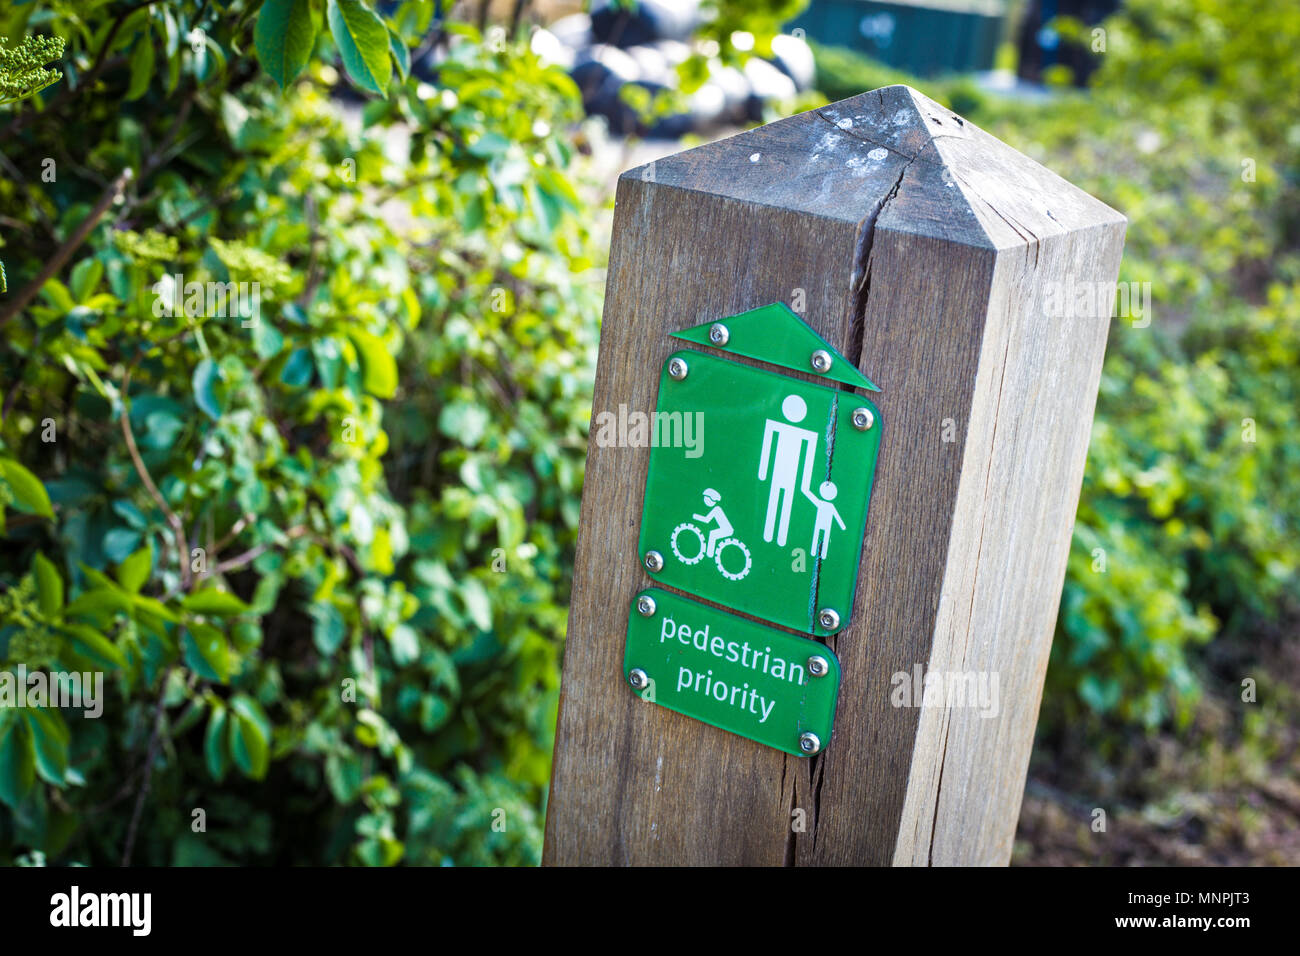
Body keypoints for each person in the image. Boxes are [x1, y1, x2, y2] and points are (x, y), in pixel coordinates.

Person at [807, 480, 846, 560]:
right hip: (821, 523)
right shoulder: (822, 503)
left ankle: (819, 553)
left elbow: (837, 516)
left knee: (823, 536)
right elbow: (837, 516)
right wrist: (842, 526)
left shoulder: (827, 505)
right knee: (819, 535)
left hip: (825, 524)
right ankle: (814, 551)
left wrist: (842, 526)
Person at [692, 488, 734, 558]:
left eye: (707, 498)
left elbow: (707, 520)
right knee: (712, 533)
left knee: (712, 534)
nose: (705, 500)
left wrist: (696, 516)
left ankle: (709, 555)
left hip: (727, 530)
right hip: (724, 529)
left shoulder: (717, 509)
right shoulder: (715, 508)